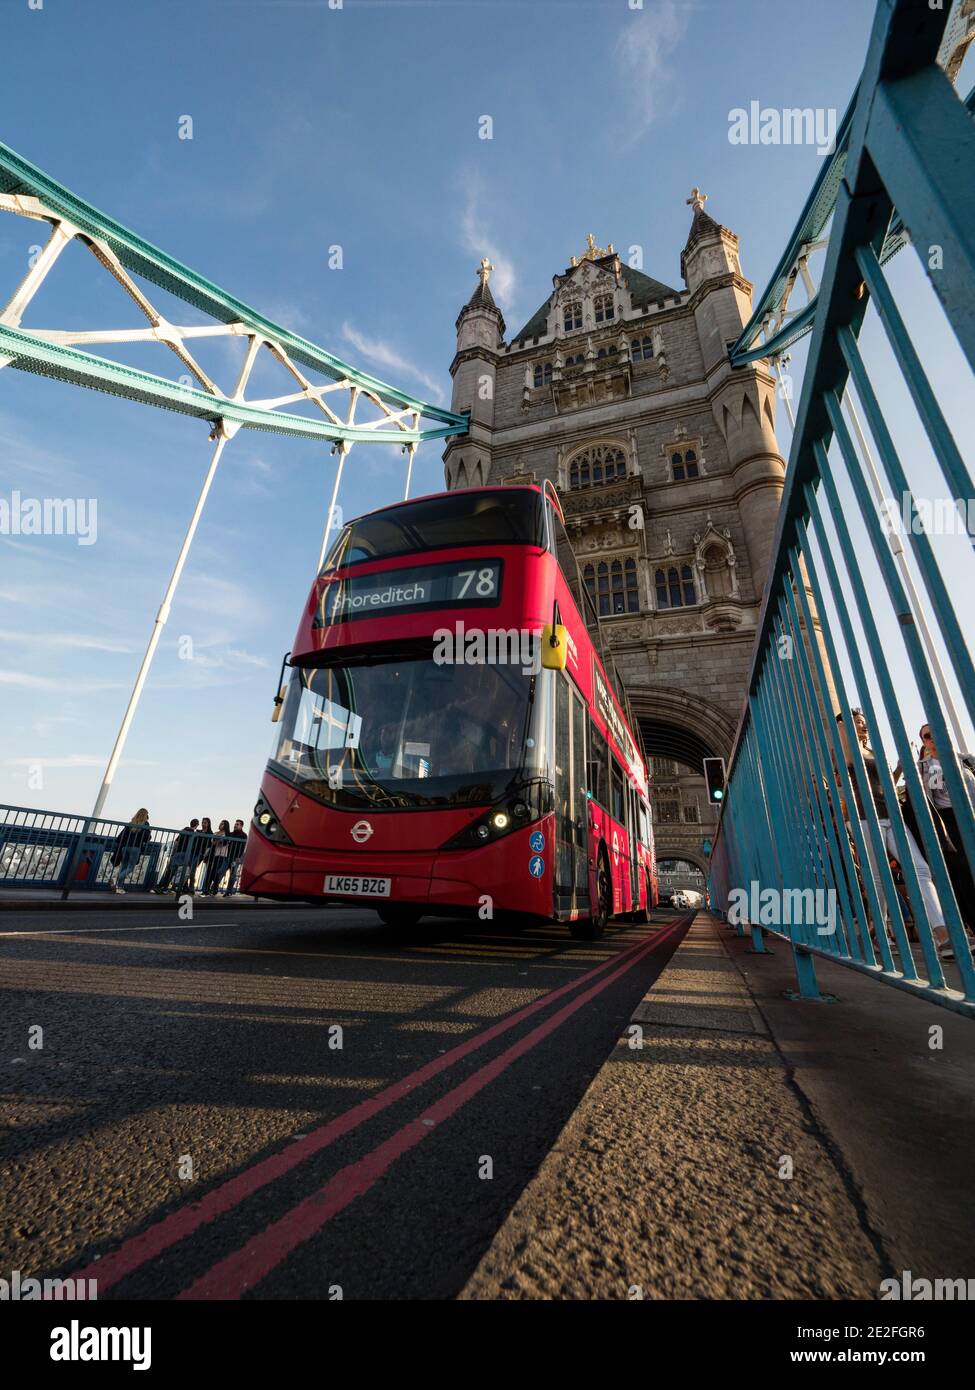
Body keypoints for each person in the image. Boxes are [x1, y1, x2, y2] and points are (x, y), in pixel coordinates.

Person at [836, 711, 950, 960]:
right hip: (866, 817)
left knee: (919, 869)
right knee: (878, 878)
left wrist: (899, 768)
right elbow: (848, 761)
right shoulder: (845, 751)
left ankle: (943, 935)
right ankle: (879, 931)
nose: (863, 725)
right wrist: (845, 724)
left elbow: (886, 783)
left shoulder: (874, 752)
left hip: (892, 814)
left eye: (864, 721)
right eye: (858, 722)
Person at [917, 722, 975, 935]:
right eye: (927, 736)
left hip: (970, 814)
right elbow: (928, 799)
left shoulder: (966, 760)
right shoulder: (925, 766)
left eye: (935, 733)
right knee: (963, 871)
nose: (932, 738)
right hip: (947, 821)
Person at [111, 809, 151, 893]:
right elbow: (147, 838)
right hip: (135, 848)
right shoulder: (145, 824)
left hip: (125, 847)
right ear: (145, 816)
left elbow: (121, 836)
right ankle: (116, 879)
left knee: (124, 866)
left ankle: (119, 887)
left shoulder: (130, 823)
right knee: (130, 867)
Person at [154, 819, 199, 894]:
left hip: (178, 852)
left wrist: (173, 853)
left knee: (171, 871)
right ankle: (176, 888)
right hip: (186, 854)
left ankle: (163, 887)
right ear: (197, 825)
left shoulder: (183, 831)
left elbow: (176, 842)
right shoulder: (193, 834)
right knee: (183, 872)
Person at [203, 820, 231, 895]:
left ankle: (214, 889)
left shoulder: (227, 834)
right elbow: (213, 842)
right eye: (220, 823)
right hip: (213, 855)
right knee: (210, 872)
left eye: (222, 824)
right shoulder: (215, 833)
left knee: (216, 873)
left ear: (226, 826)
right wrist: (218, 840)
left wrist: (218, 840)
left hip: (222, 855)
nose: (220, 825)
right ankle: (206, 889)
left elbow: (222, 843)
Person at [222, 819, 247, 896]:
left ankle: (228, 891)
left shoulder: (244, 835)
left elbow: (243, 847)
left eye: (237, 824)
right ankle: (214, 889)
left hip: (235, 858)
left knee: (232, 875)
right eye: (235, 824)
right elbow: (225, 840)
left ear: (241, 826)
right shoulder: (231, 834)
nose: (235, 825)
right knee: (221, 872)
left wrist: (239, 857)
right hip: (227, 857)